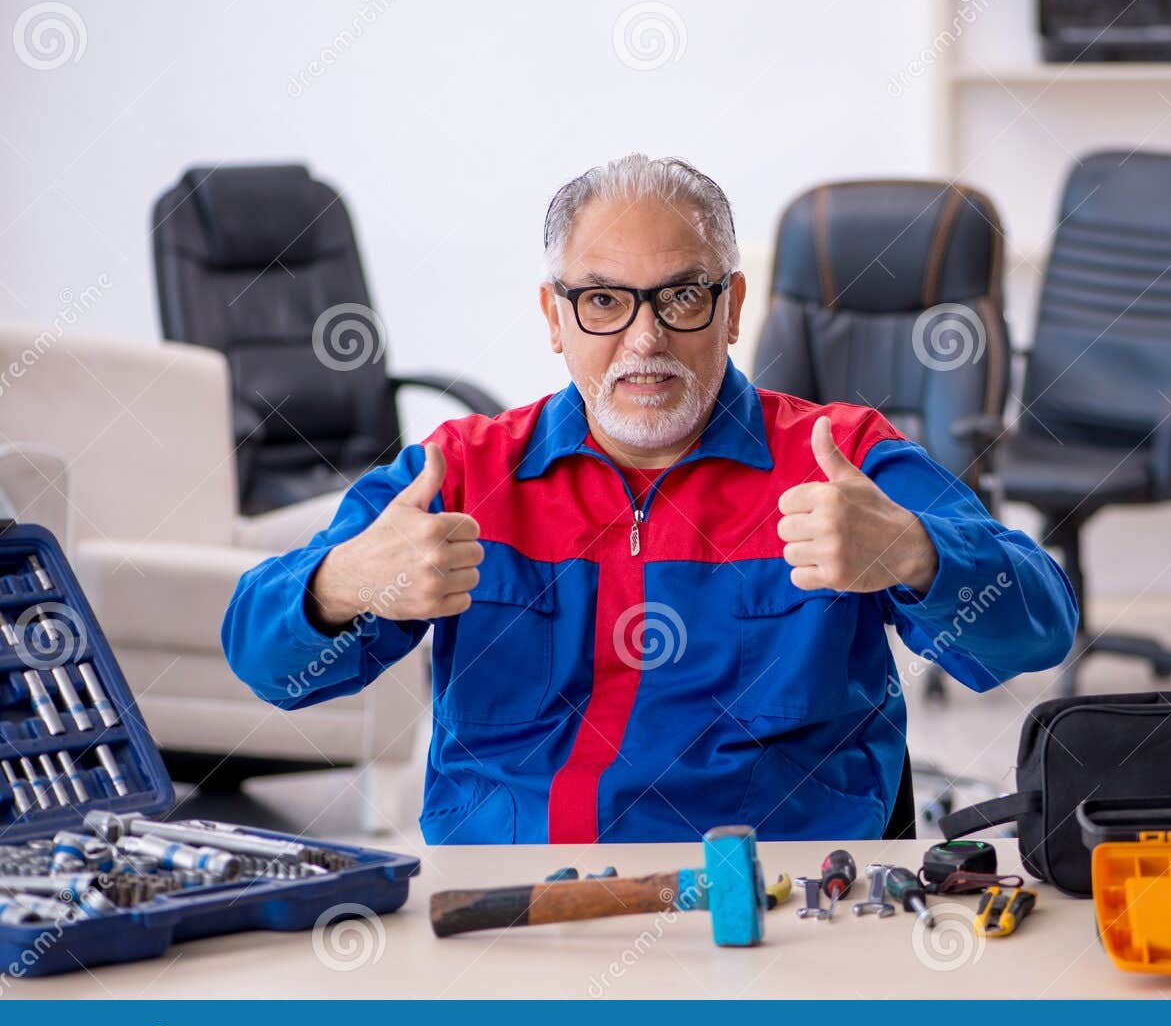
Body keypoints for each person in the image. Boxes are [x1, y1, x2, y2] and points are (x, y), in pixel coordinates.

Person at [222, 154, 1077, 844]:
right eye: (603, 301)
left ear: (731, 308)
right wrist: (340, 584)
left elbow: (1038, 627)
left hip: (778, 918)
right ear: (554, 318)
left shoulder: (839, 458)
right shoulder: (462, 474)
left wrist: (918, 555)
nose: (644, 338)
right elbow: (265, 665)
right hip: (509, 915)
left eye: (681, 297)